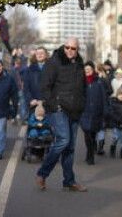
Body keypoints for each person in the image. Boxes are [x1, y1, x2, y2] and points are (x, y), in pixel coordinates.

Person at [35, 38, 88, 192]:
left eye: (74, 48)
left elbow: (83, 87)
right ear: (63, 47)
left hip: (75, 110)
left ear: (77, 50)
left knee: (70, 147)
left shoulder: (79, 64)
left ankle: (69, 181)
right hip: (58, 109)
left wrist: (82, 104)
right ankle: (42, 173)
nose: (70, 50)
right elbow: (45, 86)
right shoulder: (53, 62)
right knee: (64, 140)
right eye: (68, 47)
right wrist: (53, 105)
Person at [81, 63, 109, 163]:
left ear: (93, 70)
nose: (87, 71)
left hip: (96, 112)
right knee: (87, 134)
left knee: (93, 135)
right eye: (85, 69)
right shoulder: (81, 82)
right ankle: (90, 154)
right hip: (85, 112)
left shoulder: (99, 82)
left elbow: (104, 97)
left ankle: (90, 153)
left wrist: (105, 110)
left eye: (89, 69)